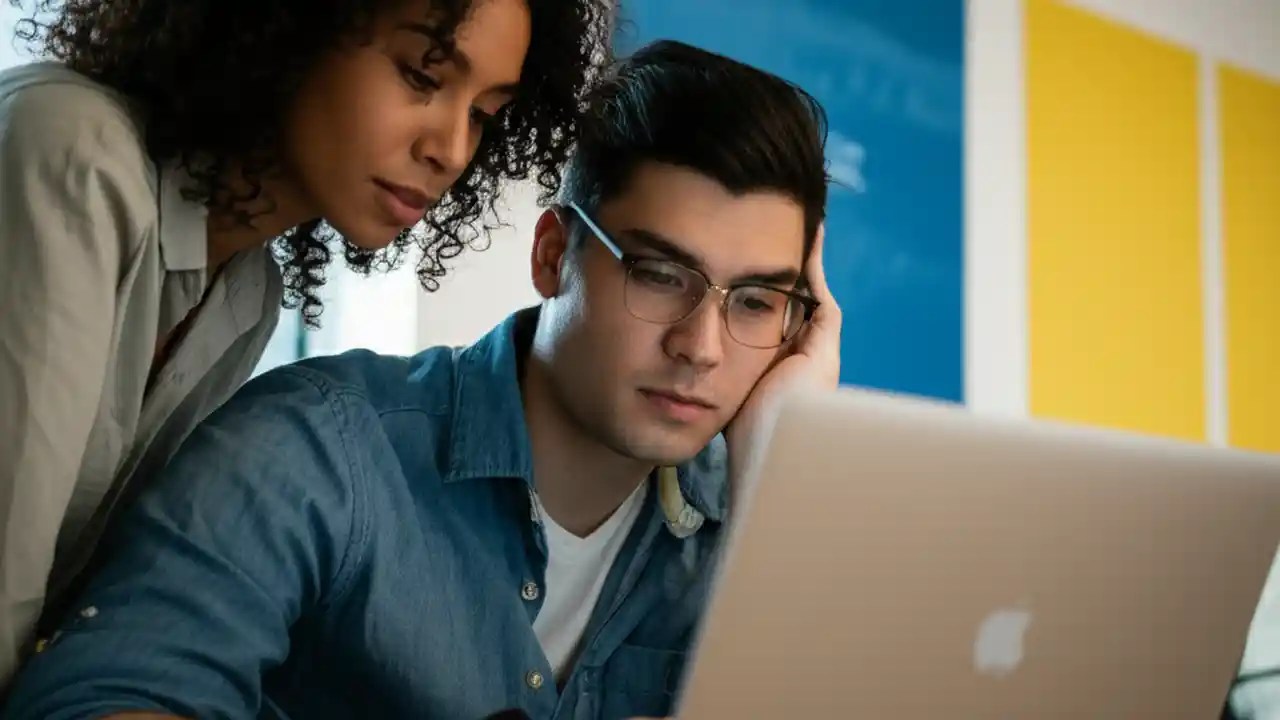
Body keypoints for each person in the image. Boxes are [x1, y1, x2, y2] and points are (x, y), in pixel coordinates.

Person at [2, 40, 842, 719]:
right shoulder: (316, 448)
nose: (701, 345)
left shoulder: (748, 531)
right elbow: (97, 697)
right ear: (554, 255)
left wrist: (789, 480)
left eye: (758, 301)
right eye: (661, 274)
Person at [0, 0, 611, 683]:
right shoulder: (72, 156)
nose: (451, 150)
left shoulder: (244, 293)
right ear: (289, 30)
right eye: (420, 74)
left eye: (482, 115)